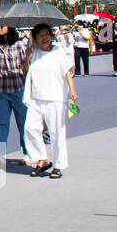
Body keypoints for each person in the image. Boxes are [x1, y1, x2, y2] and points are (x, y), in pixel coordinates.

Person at [22, 23, 77, 179]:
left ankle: (58, 165)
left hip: (55, 98)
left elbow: (67, 72)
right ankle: (43, 159)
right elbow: (26, 73)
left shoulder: (58, 52)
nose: (44, 38)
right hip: (36, 98)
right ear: (36, 38)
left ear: (51, 36)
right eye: (40, 36)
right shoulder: (34, 53)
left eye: (46, 35)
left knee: (56, 133)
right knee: (30, 128)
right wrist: (26, 57)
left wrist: (72, 89)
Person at [0, 24, 29, 168]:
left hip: (18, 88)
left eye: (2, 26)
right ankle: (0, 154)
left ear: (10, 28)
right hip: (2, 90)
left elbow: (25, 64)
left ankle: (27, 152)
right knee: (2, 122)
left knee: (22, 123)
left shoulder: (18, 45)